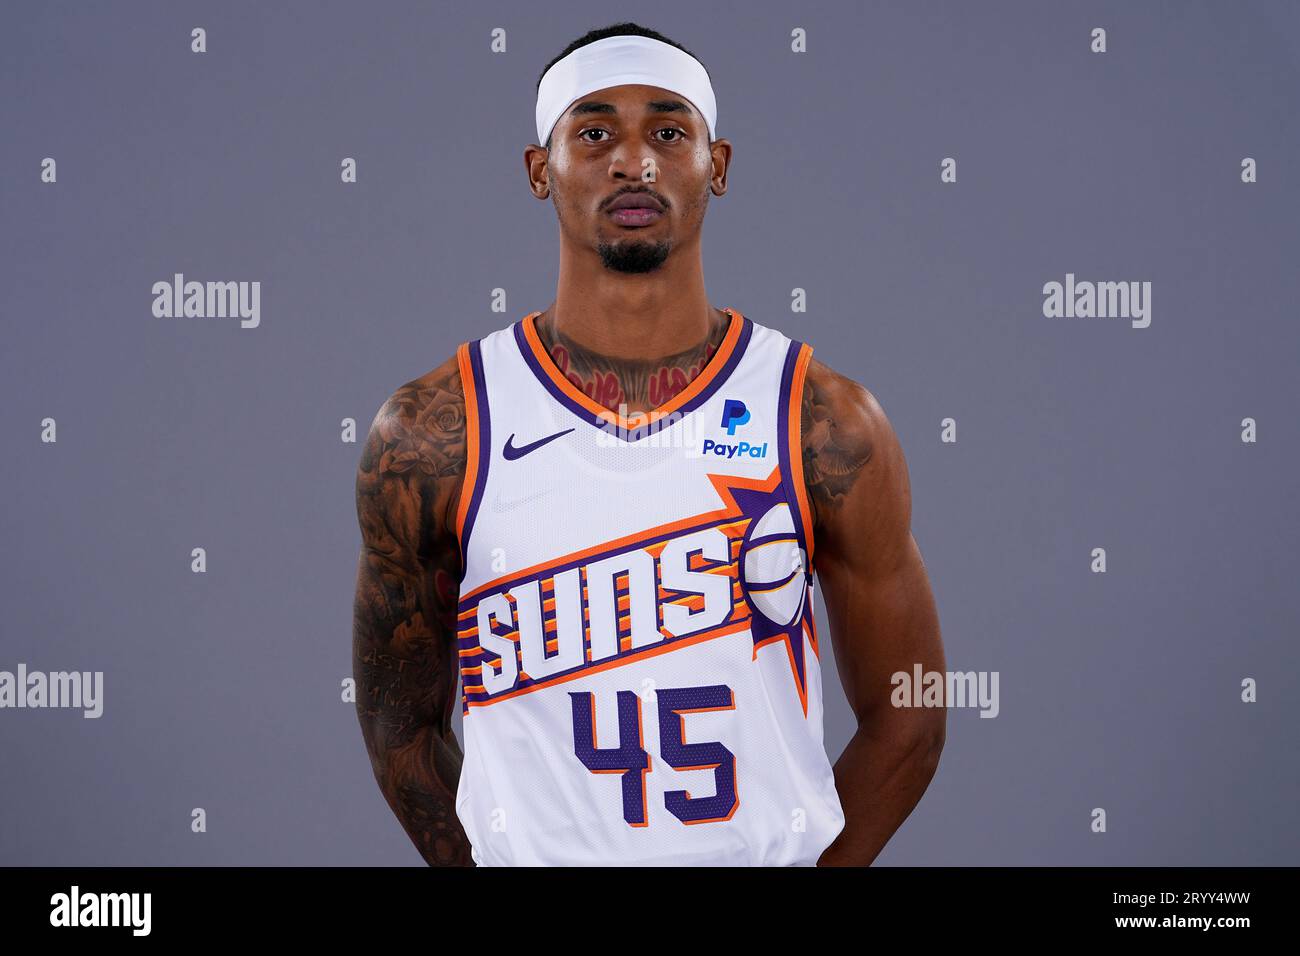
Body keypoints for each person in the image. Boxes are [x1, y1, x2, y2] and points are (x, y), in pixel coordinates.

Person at [352, 22, 945, 866]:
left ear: (719, 164)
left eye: (669, 131)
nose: (635, 161)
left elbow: (912, 715)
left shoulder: (825, 422)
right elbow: (399, 733)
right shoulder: (431, 434)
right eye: (594, 133)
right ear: (538, 170)